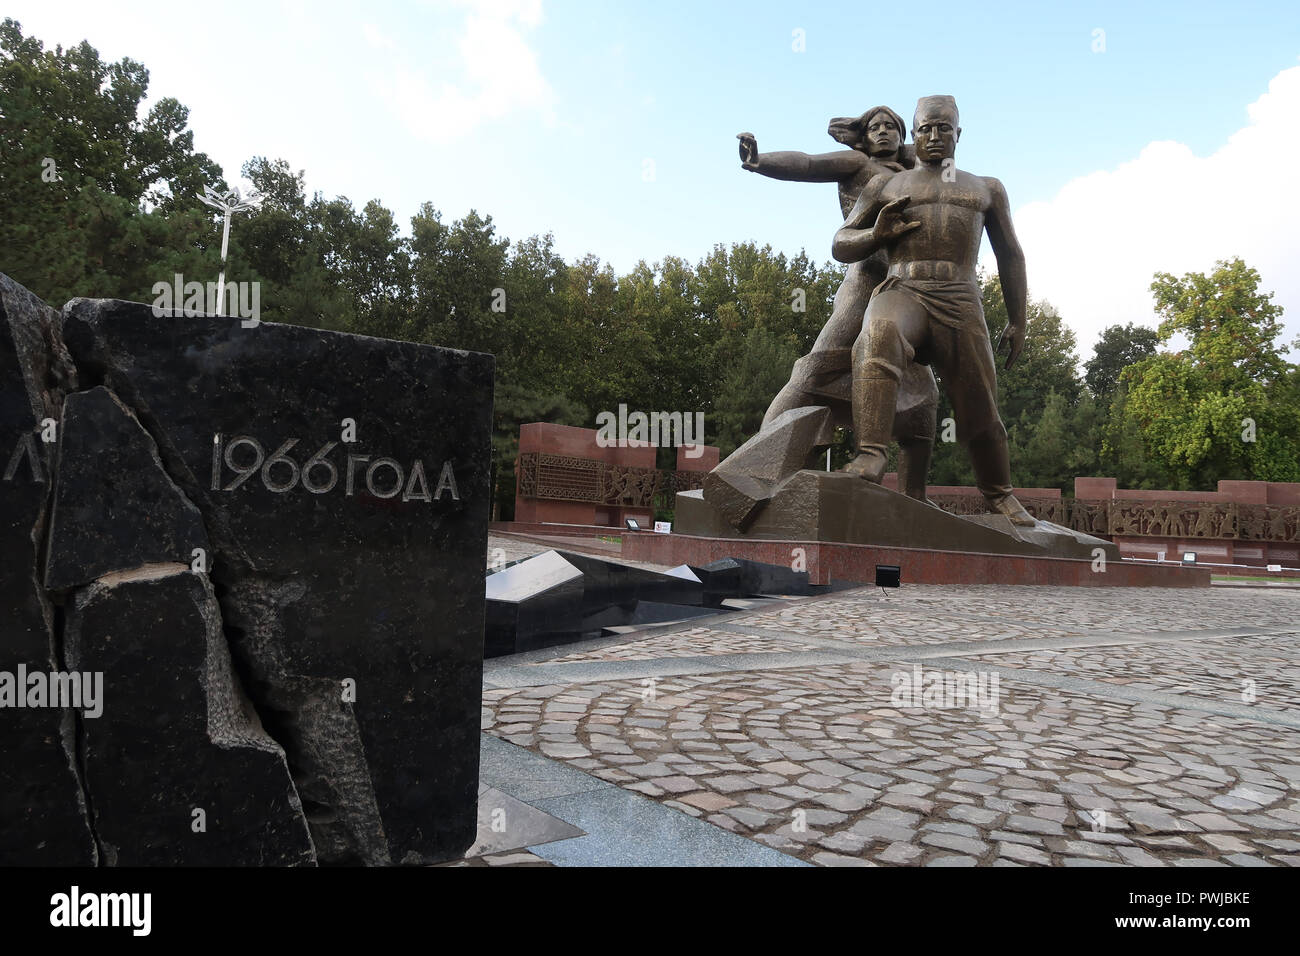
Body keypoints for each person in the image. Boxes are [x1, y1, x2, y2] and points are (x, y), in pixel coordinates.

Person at [833, 95, 1034, 525]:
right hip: (903, 286)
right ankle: (870, 454)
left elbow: (1011, 256)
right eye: (925, 128)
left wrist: (1019, 321)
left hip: (960, 298)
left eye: (944, 128)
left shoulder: (986, 188)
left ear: (958, 134)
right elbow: (840, 244)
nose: (934, 136)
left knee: (979, 403)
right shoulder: (886, 185)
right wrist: (876, 235)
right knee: (878, 333)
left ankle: (999, 493)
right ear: (915, 133)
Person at [736, 107, 938, 500]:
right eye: (875, 127)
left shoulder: (916, 171)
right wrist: (761, 162)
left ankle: (914, 498)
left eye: (891, 127)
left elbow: (936, 148)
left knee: (923, 396)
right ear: (862, 137)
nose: (883, 132)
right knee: (816, 370)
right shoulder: (858, 162)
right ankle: (756, 465)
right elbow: (809, 164)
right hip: (864, 281)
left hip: (907, 291)